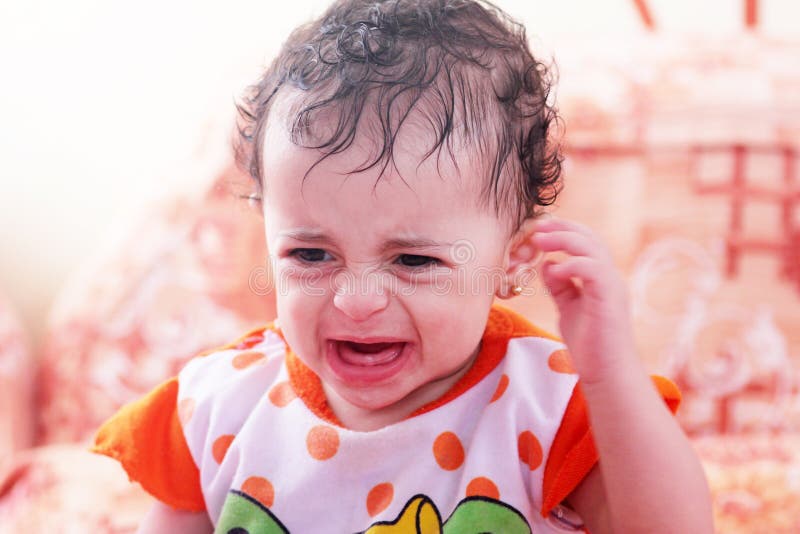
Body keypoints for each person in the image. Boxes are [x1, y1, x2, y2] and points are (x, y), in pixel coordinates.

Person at [93, 1, 714, 532]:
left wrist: (609, 376)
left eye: (413, 259)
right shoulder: (219, 411)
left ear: (509, 260)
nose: (356, 300)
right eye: (311, 254)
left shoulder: (550, 409)